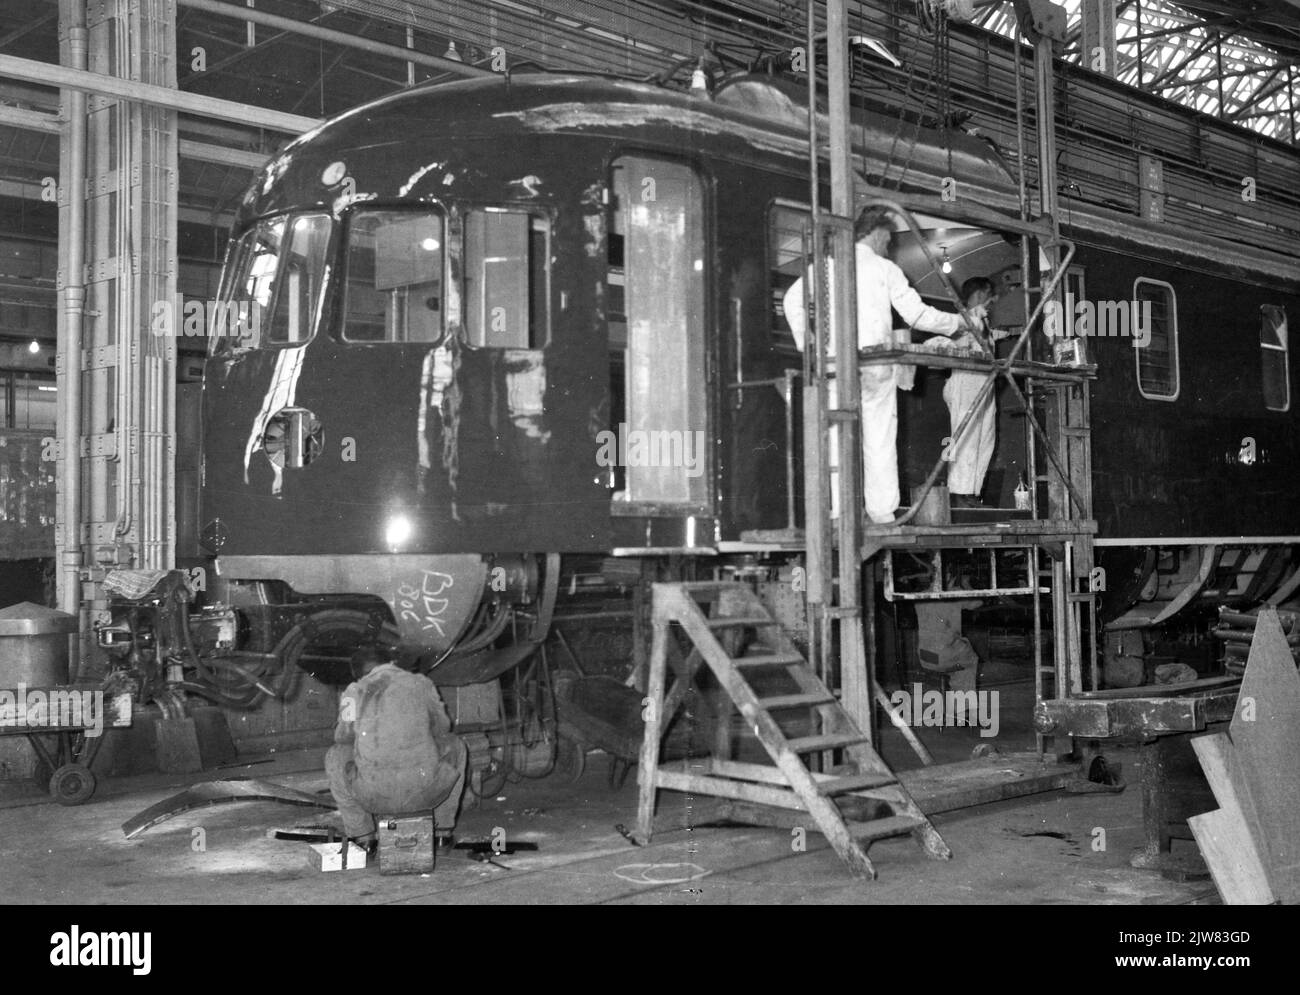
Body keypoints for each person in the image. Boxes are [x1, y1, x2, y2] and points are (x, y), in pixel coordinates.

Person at [783, 207, 979, 524]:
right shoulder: (883, 268)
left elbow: (793, 302)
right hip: (876, 365)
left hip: (835, 364)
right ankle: (882, 512)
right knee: (879, 439)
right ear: (876, 234)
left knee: (836, 438)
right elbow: (918, 316)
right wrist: (961, 321)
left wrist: (809, 347)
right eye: (887, 240)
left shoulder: (825, 267)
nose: (888, 247)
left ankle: (838, 512)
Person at [325, 645, 468, 851]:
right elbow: (443, 727)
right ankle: (442, 833)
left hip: (373, 798)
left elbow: (342, 737)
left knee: (335, 755)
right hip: (428, 793)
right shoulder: (422, 683)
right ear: (391, 663)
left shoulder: (353, 691)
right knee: (456, 745)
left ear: (357, 673)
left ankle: (363, 837)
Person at [942, 276, 1012, 508]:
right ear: (981, 294)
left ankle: (971, 493)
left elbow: (987, 336)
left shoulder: (982, 320)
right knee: (966, 439)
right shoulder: (962, 318)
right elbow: (963, 338)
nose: (992, 302)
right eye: (989, 296)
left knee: (985, 440)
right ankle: (958, 493)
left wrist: (1010, 332)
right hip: (965, 382)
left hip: (984, 384)